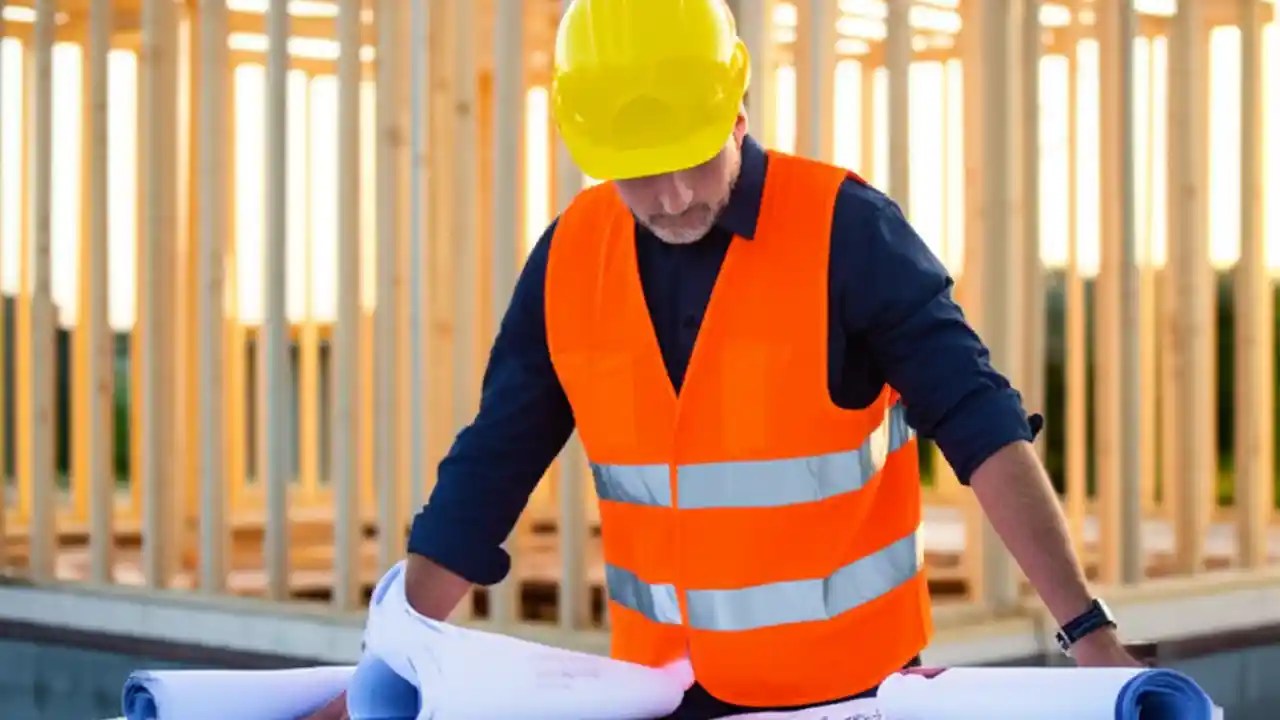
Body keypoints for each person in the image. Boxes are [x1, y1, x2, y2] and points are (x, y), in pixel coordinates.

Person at [305, 0, 1141, 718]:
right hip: (659, 694)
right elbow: (487, 474)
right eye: (640, 172)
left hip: (848, 698)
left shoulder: (846, 233)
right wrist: (391, 668)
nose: (671, 198)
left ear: (737, 106)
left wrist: (1089, 635)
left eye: (694, 158)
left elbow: (980, 423)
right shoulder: (570, 260)